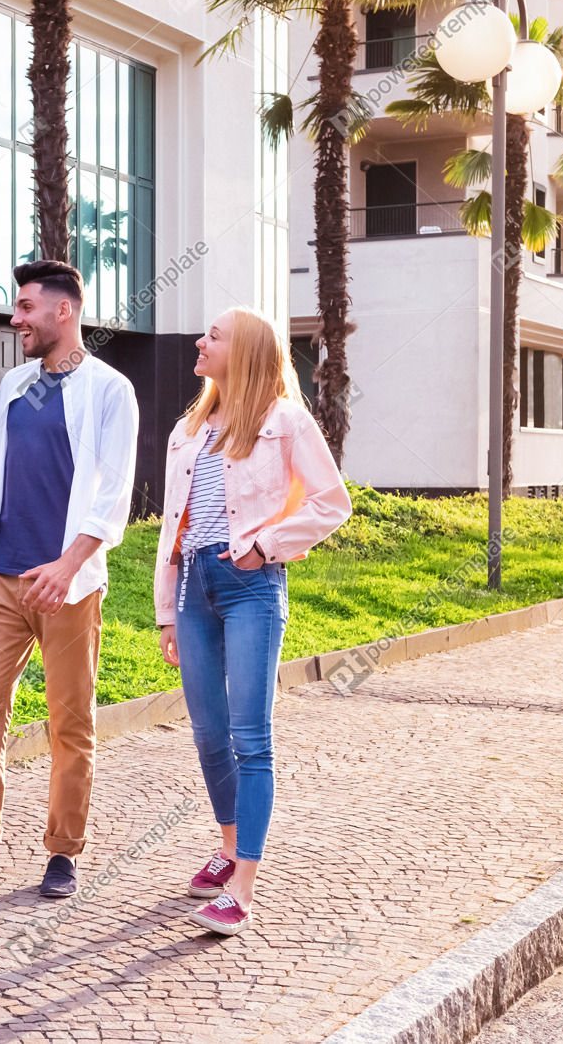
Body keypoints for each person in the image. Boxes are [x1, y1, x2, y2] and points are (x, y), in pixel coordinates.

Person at [0, 260, 139, 898]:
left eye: (25, 308)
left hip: (67, 585)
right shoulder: (16, 384)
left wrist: (68, 568)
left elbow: (113, 497)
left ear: (63, 311)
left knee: (70, 721)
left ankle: (63, 853)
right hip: (3, 579)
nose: (15, 320)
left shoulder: (109, 389)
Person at [153, 307, 351, 935]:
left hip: (250, 586)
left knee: (250, 736)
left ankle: (242, 886)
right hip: (193, 587)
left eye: (213, 335)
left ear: (246, 352)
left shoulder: (285, 420)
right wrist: (166, 613)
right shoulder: (189, 427)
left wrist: (267, 545)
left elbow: (331, 502)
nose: (199, 340)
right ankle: (229, 844)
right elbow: (171, 526)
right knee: (209, 733)